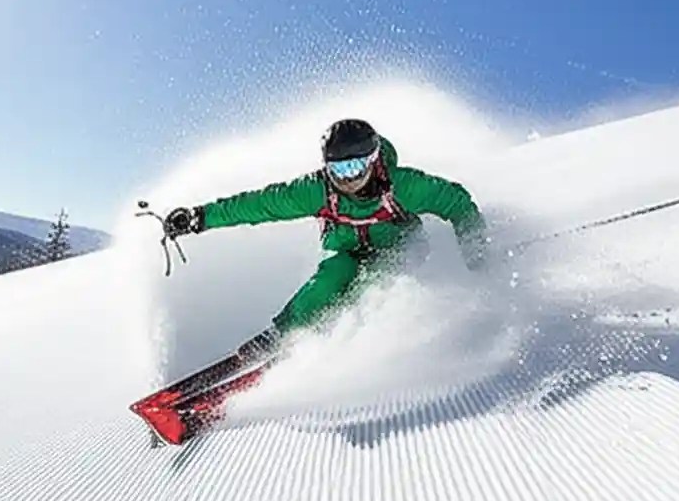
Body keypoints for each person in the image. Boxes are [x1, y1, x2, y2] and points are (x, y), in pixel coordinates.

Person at [163, 118, 486, 361]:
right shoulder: (316, 190)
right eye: (339, 168)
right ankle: (283, 333)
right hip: (346, 248)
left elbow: (457, 204)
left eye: (357, 165)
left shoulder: (405, 186)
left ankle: (350, 337)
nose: (349, 178)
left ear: (373, 160)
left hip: (400, 246)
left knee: (376, 281)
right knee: (328, 279)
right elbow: (259, 205)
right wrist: (200, 217)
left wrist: (477, 255)